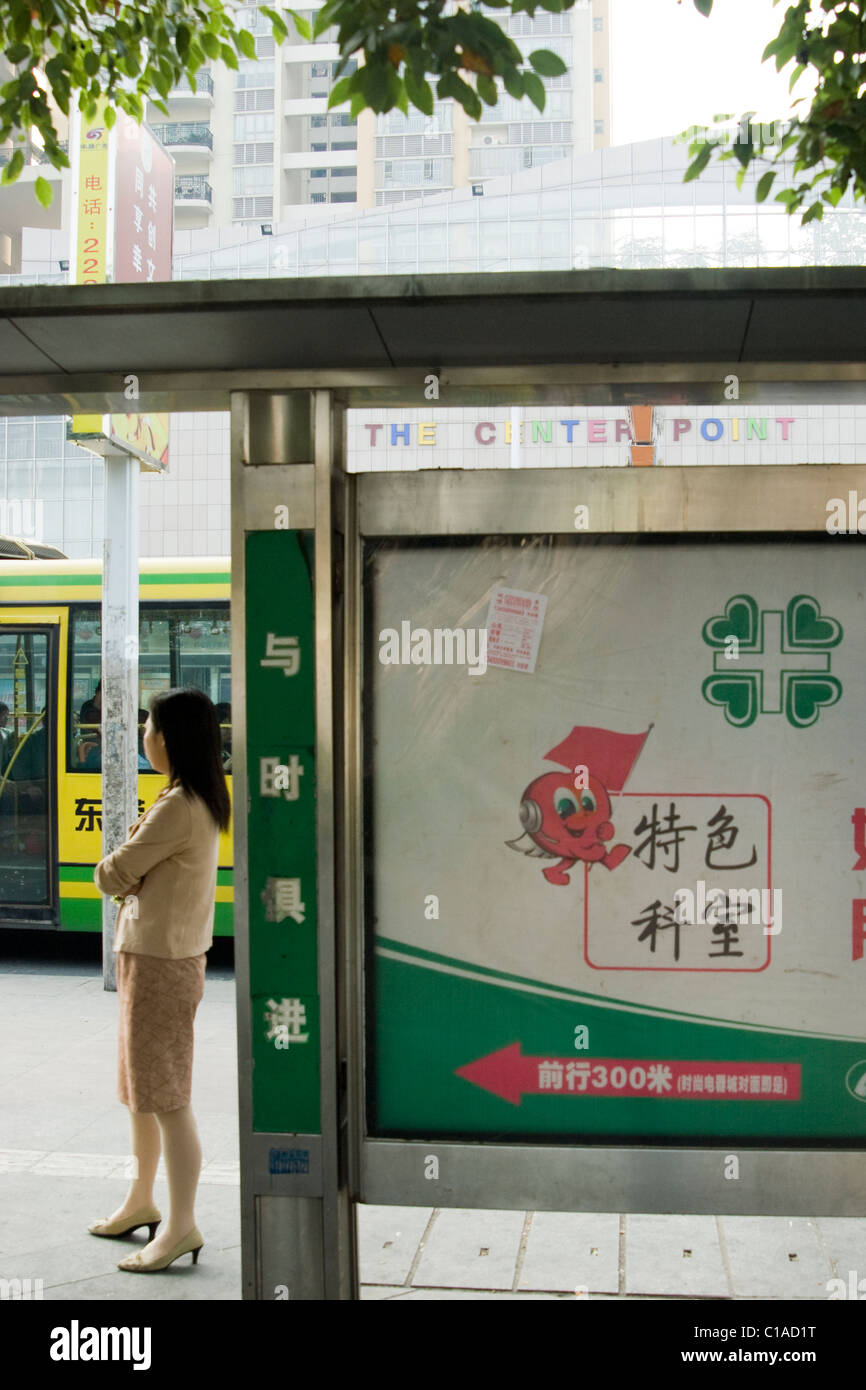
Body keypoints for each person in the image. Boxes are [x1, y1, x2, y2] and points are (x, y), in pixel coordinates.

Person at [90, 687, 230, 1273]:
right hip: (153, 956)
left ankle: (180, 1224)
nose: (143, 732)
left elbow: (110, 874)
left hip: (161, 964)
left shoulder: (178, 807)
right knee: (141, 1091)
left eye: (148, 723)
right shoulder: (188, 799)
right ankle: (142, 1200)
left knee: (167, 1098)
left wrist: (123, 869)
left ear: (167, 737)